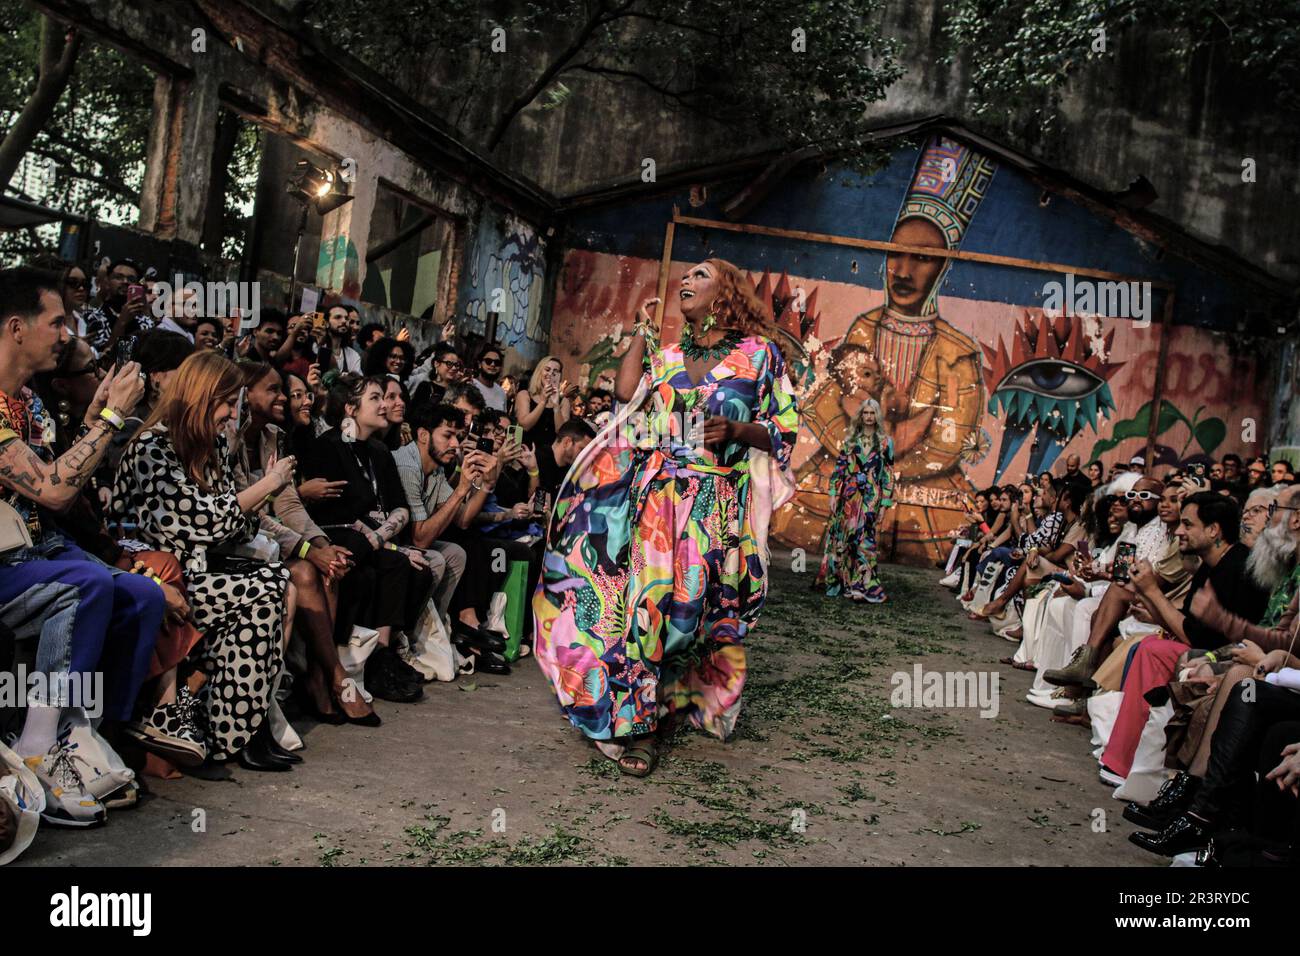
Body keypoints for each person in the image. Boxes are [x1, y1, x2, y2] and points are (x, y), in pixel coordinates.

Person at [535, 258, 799, 777]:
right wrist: (641, 329)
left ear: (727, 291)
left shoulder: (759, 356)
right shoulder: (671, 354)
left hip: (716, 506)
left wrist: (739, 432)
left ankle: (677, 700)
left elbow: (784, 431)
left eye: (701, 275)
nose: (687, 280)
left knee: (692, 616)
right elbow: (624, 393)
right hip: (657, 499)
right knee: (645, 609)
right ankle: (639, 727)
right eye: (686, 275)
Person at [0, 267, 161, 825]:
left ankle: (83, 732)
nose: (67, 333)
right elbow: (50, 490)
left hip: (40, 551)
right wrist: (111, 418)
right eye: (58, 321)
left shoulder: (31, 402)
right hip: (4, 560)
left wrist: (94, 425)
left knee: (143, 594)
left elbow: (60, 475)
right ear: (17, 328)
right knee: (85, 583)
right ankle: (37, 747)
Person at [112, 351, 300, 771]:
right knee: (265, 588)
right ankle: (233, 733)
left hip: (200, 571)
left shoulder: (211, 445)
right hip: (154, 579)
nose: (231, 415)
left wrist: (255, 498)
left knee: (275, 583)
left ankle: (239, 730)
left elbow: (235, 527)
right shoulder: (151, 446)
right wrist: (266, 485)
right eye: (225, 402)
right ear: (201, 397)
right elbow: (204, 520)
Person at [235, 362, 376, 726]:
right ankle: (333, 675)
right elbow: (250, 513)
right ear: (245, 393)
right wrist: (307, 549)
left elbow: (286, 503)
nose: (283, 397)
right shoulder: (230, 439)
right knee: (307, 572)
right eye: (274, 390)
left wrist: (320, 544)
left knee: (330, 566)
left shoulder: (272, 436)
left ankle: (318, 677)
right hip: (239, 538)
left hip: (272, 537)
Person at [300, 375, 435, 703]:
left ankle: (382, 654)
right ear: (350, 408)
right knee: (384, 565)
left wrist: (383, 537)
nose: (384, 405)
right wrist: (386, 540)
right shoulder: (328, 447)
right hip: (337, 538)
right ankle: (356, 661)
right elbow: (337, 515)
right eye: (375, 398)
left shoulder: (379, 451)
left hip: (369, 541)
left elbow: (400, 509)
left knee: (416, 567)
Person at [814, 397, 894, 602]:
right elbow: (839, 469)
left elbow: (888, 474)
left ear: (877, 416)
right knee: (847, 539)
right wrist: (833, 493)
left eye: (872, 413)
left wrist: (885, 504)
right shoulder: (850, 440)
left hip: (871, 497)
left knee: (865, 540)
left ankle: (864, 584)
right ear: (861, 415)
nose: (869, 417)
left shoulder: (886, 442)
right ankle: (847, 583)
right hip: (849, 496)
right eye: (865, 413)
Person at [514, 355, 575, 450]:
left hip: (549, 457)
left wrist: (556, 405)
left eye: (555, 371)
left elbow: (561, 433)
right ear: (539, 372)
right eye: (547, 370)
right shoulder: (525, 395)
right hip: (525, 453)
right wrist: (543, 401)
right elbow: (525, 426)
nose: (550, 374)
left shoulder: (564, 402)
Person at [410, 342, 463, 407]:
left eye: (456, 365)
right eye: (449, 364)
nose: (454, 368)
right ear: (436, 364)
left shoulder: (458, 390)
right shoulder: (421, 381)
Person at [318, 304, 362, 374]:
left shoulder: (353, 355)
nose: (344, 321)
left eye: (346, 318)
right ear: (326, 323)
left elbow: (357, 382)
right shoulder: (316, 348)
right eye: (338, 317)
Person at [470, 343, 508, 412]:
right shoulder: (470, 386)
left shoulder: (502, 393)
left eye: (497, 362)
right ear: (479, 364)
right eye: (488, 361)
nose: (493, 364)